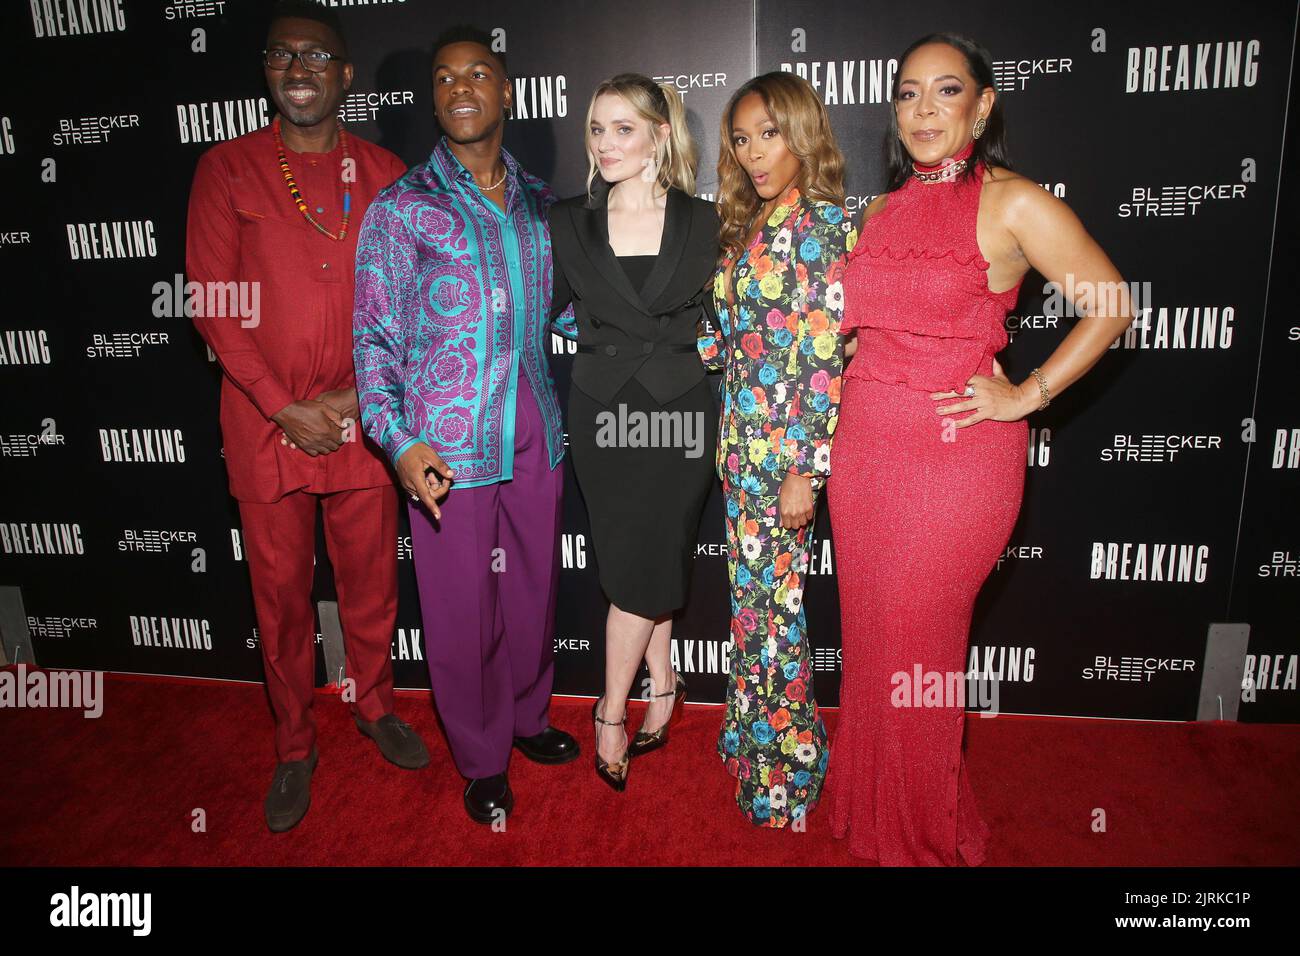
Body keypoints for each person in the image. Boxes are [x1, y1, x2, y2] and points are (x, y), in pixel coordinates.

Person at [826, 33, 1135, 865]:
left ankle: (919, 834)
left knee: (921, 648)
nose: (924, 110)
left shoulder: (1014, 202)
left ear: (984, 105)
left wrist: (1026, 396)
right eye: (909, 94)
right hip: (862, 456)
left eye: (947, 91)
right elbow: (869, 328)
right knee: (873, 639)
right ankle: (869, 808)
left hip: (954, 455)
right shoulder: (880, 209)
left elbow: (1110, 304)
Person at [186, 0, 428, 834]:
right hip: (265, 423)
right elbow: (214, 306)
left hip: (367, 421)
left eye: (316, 56)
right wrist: (287, 408)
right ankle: (294, 746)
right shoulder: (227, 170)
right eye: (282, 56)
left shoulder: (390, 173)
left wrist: (361, 401)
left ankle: (375, 706)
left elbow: (412, 304)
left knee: (371, 590)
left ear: (345, 74)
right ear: (266, 71)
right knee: (282, 603)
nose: (299, 69)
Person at [352, 25, 579, 825]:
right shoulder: (402, 207)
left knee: (531, 589)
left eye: (477, 74)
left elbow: (570, 310)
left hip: (535, 426)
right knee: (458, 611)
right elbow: (373, 338)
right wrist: (399, 439)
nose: (460, 89)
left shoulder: (538, 199)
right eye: (444, 78)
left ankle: (528, 716)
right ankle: (481, 757)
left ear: (507, 91)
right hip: (442, 441)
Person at [548, 74, 720, 791]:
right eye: (596, 128)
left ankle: (622, 703)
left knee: (658, 554)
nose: (607, 143)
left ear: (658, 134)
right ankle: (640, 693)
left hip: (681, 412)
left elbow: (740, 316)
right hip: (604, 412)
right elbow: (540, 314)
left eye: (624, 128)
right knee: (633, 564)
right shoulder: (566, 221)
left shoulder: (708, 221)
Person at [698, 72, 856, 827]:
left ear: (802, 133)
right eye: (741, 138)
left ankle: (789, 774)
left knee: (777, 618)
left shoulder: (822, 225)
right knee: (752, 613)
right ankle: (750, 734)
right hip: (740, 452)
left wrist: (806, 468)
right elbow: (728, 342)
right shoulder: (752, 222)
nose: (755, 152)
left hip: (783, 462)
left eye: (769, 133)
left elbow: (825, 359)